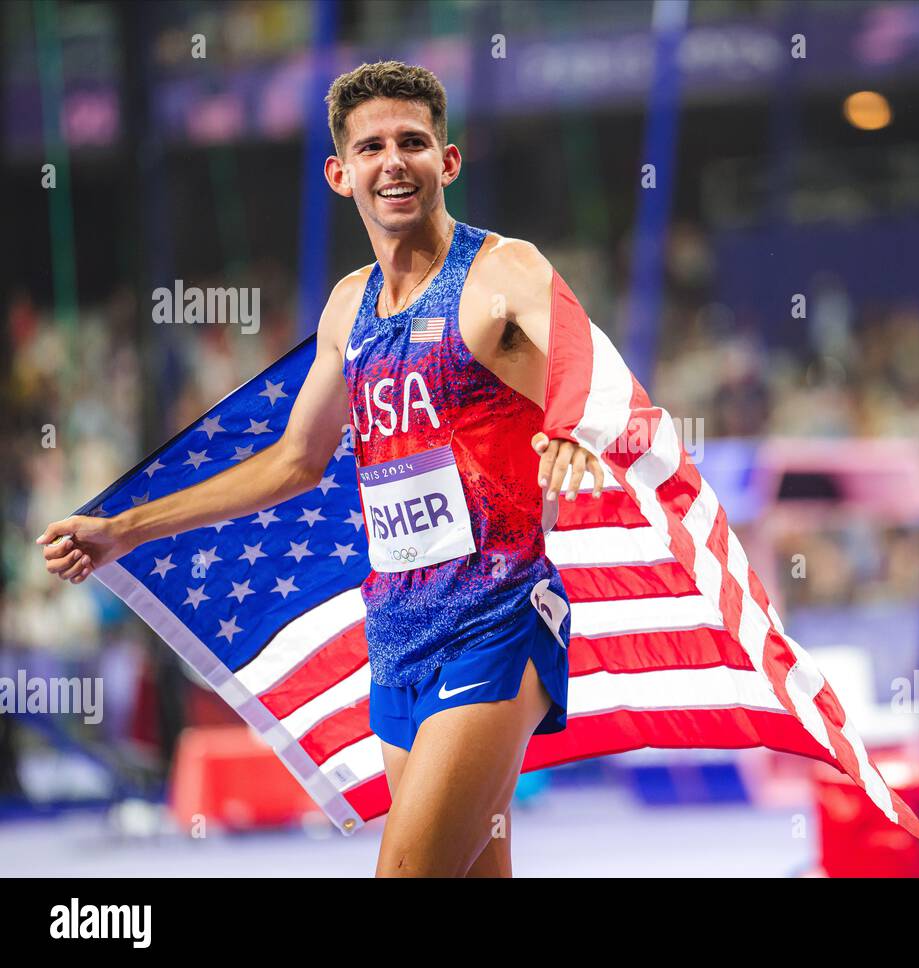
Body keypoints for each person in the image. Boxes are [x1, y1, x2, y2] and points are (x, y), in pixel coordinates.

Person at [37, 60, 606, 877]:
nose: (393, 161)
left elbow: (578, 343)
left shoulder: (501, 270)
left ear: (447, 162)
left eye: (413, 141)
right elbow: (295, 461)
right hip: (399, 631)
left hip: (498, 615)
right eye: (371, 147)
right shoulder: (349, 305)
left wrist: (566, 418)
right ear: (342, 175)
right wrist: (122, 529)